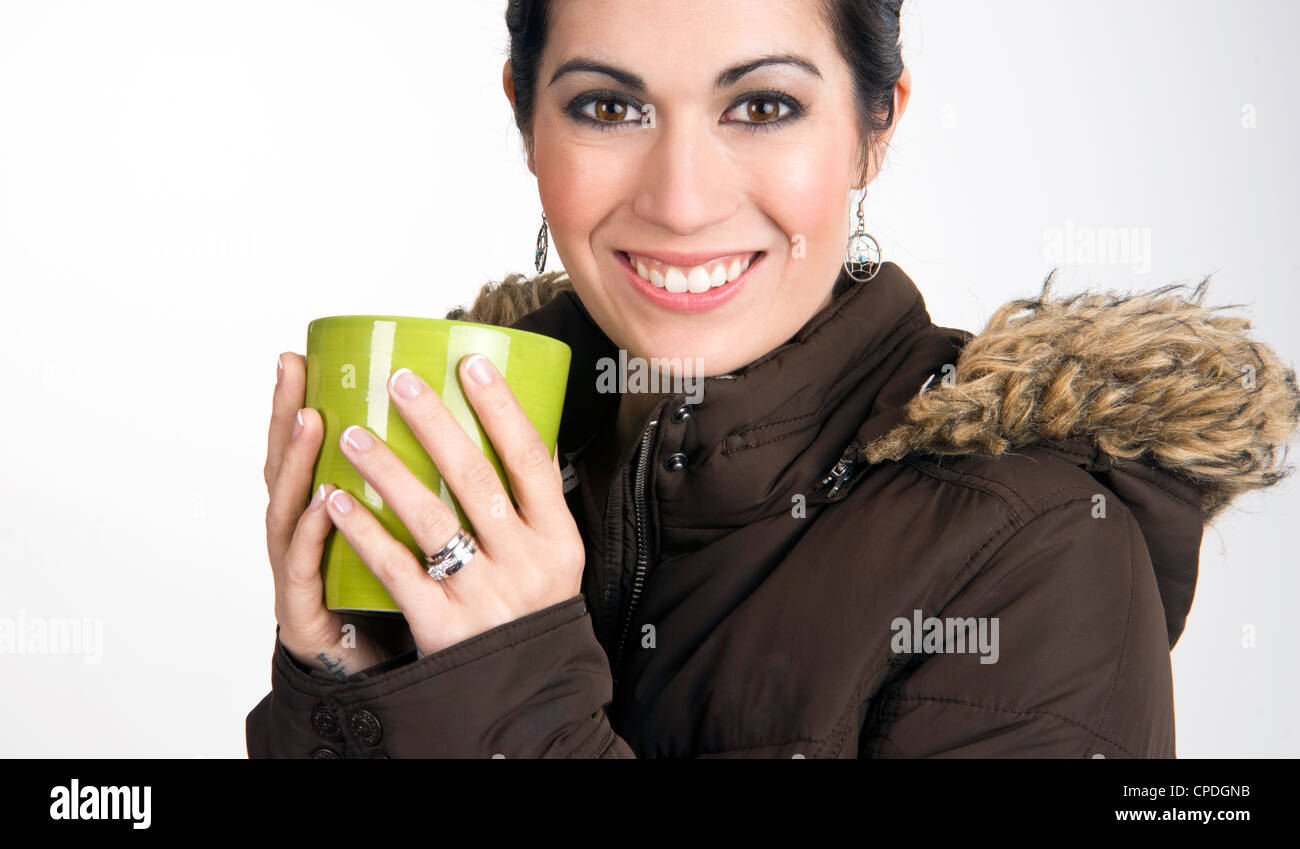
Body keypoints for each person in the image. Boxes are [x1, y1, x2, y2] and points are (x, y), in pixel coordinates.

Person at [247, 0, 1300, 758]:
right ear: (526, 114)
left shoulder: (1038, 547)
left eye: (760, 106)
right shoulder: (502, 479)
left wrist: (511, 698)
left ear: (873, 123)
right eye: (609, 108)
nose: (682, 200)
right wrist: (360, 689)